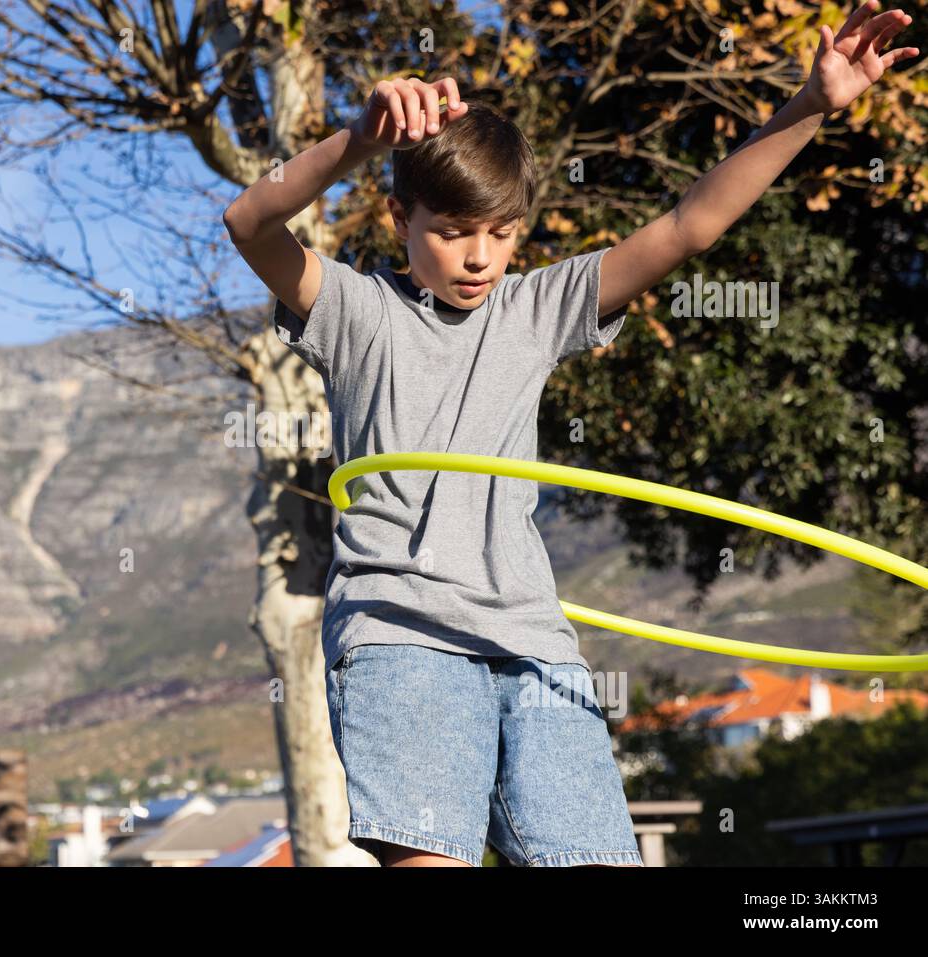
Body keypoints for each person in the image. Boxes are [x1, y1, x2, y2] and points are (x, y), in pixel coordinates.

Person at [222, 2, 917, 867]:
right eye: (453, 231)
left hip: (533, 637)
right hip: (402, 631)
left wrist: (811, 102)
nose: (480, 257)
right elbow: (249, 223)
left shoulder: (537, 307)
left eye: (502, 233)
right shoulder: (356, 311)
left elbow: (688, 225)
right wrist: (358, 140)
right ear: (398, 215)